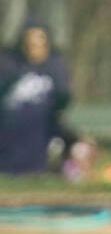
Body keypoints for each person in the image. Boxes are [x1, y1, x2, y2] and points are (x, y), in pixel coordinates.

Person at [0, 22, 71, 173]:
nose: (35, 46)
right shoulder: (9, 64)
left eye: (40, 41)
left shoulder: (55, 66)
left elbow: (62, 99)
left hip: (44, 127)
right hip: (10, 126)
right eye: (30, 42)